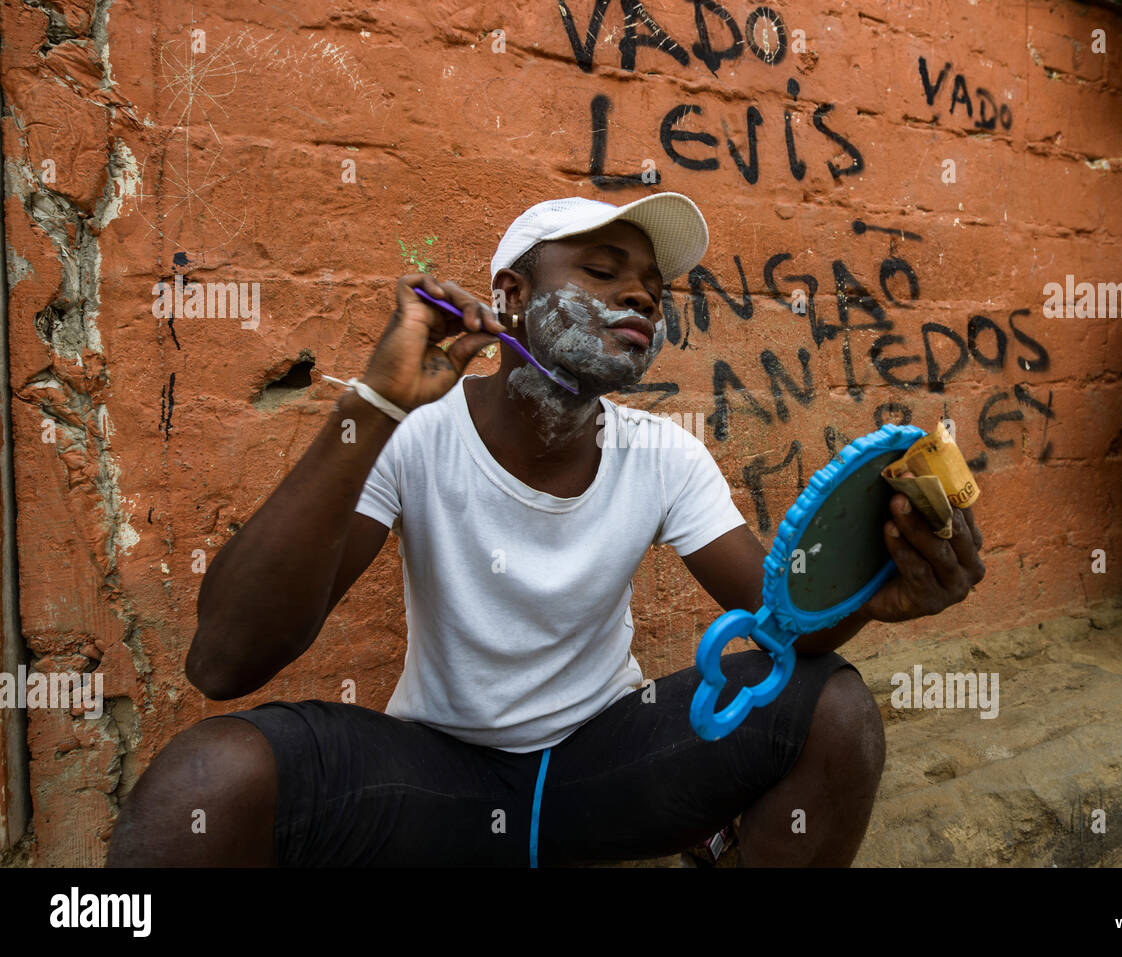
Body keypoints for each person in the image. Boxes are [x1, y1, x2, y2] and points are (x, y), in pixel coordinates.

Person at [106, 192, 985, 867]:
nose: (640, 293)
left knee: (834, 709)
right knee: (206, 782)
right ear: (513, 297)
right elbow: (223, 661)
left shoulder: (663, 455)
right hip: (437, 773)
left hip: (605, 766)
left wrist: (881, 590)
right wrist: (370, 407)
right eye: (603, 271)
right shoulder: (415, 432)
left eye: (652, 285)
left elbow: (788, 630)